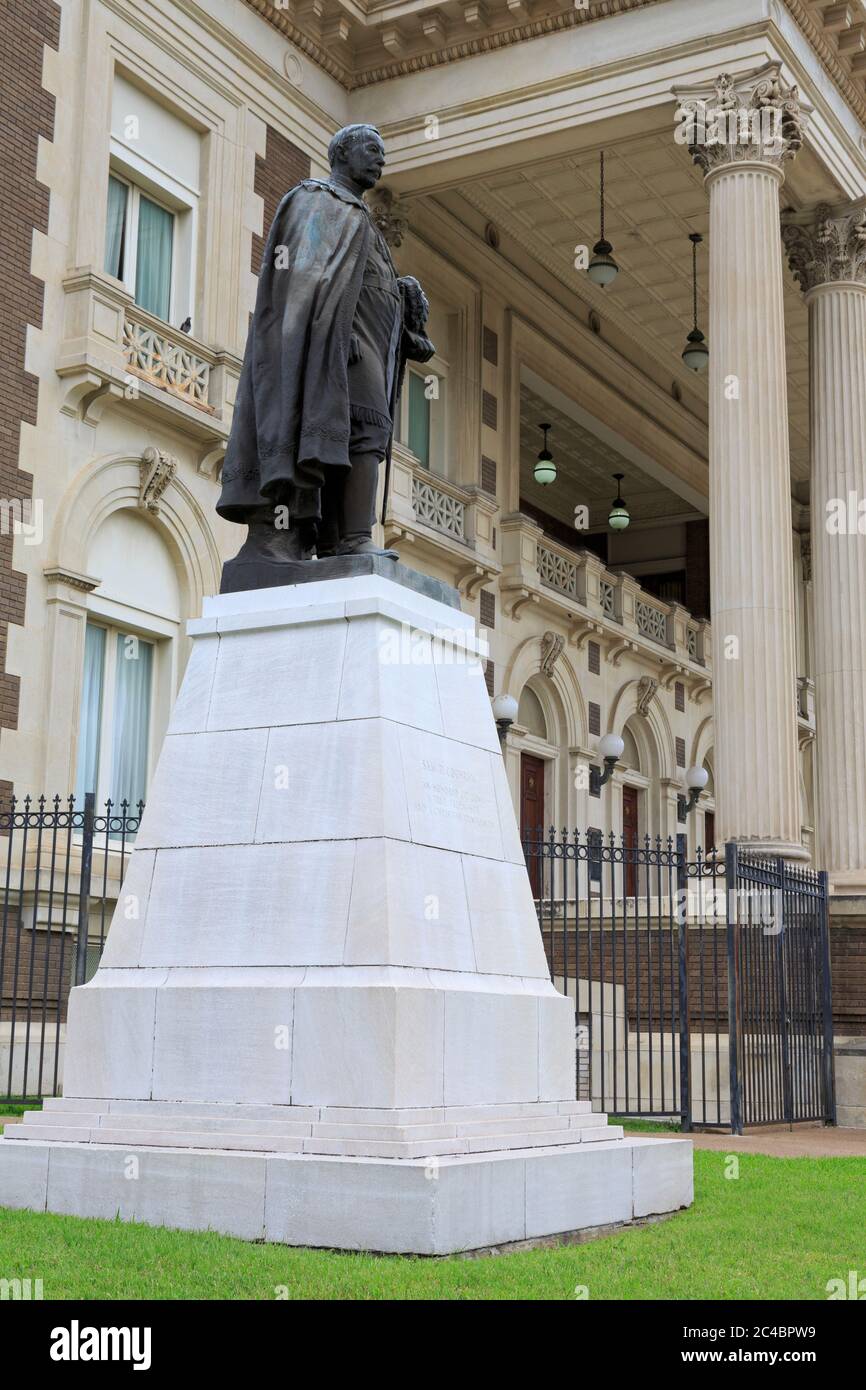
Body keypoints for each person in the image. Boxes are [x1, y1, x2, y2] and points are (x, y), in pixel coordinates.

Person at [216, 123, 434, 573]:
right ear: (342, 153)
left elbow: (351, 279)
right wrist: (330, 332)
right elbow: (303, 279)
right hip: (340, 348)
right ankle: (353, 538)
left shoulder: (357, 214)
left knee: (359, 433)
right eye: (372, 149)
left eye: (383, 152)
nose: (381, 159)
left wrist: (400, 293)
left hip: (362, 345)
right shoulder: (317, 199)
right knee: (362, 432)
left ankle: (339, 540)